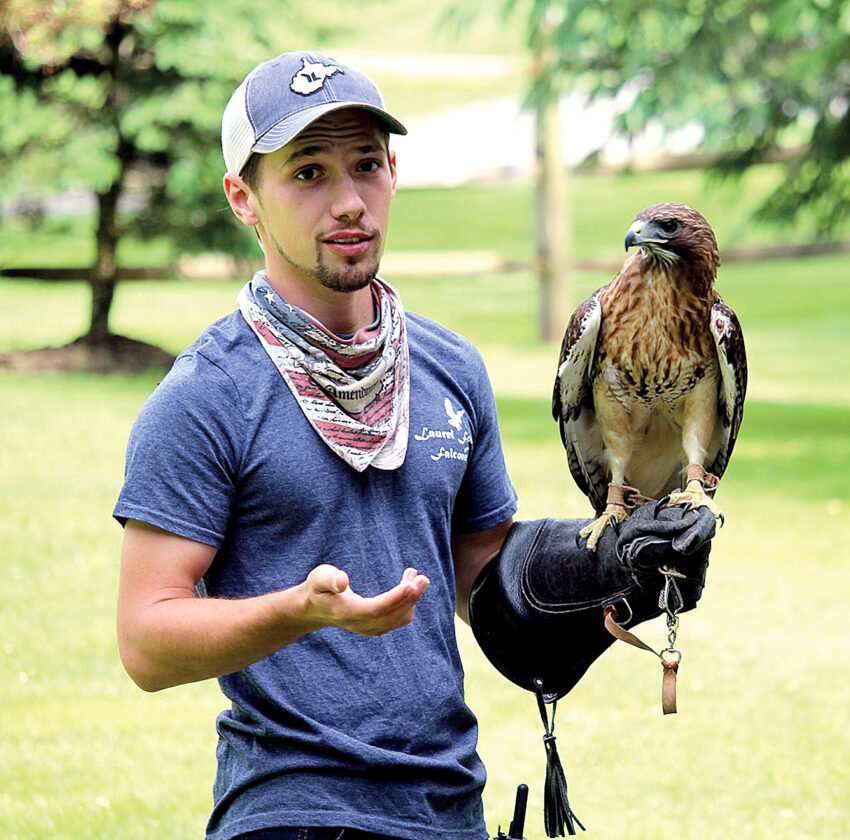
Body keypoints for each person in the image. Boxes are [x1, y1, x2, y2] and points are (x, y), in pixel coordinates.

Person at [115, 50, 714, 840]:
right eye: (307, 174)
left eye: (366, 165)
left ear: (394, 171)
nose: (348, 201)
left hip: (449, 804)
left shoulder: (449, 368)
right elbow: (146, 643)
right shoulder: (206, 394)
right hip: (291, 809)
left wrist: (611, 571)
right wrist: (300, 612)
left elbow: (484, 585)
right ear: (243, 198)